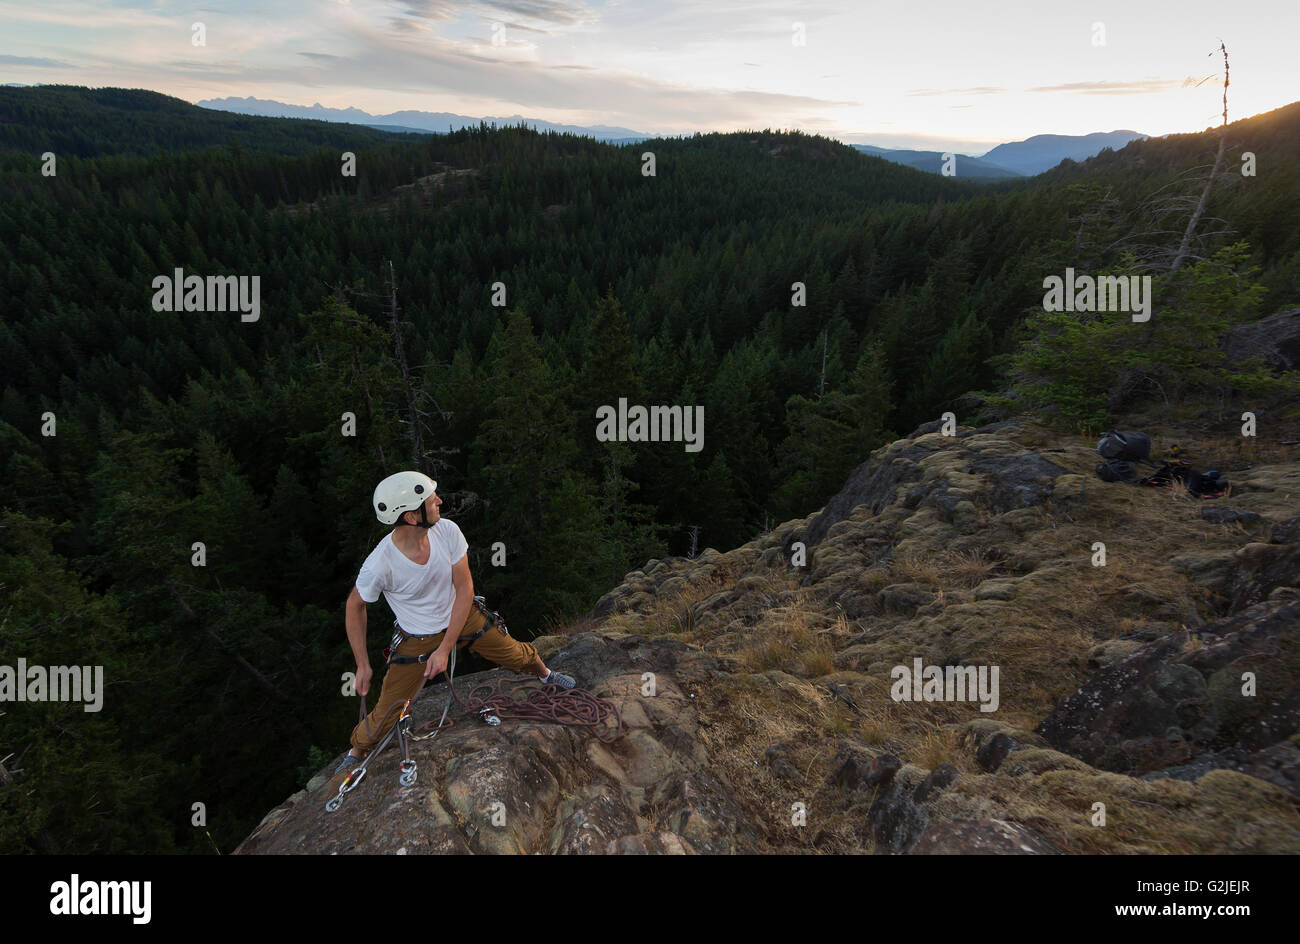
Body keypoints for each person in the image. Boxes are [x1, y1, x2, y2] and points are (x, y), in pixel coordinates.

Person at [334, 470, 575, 777]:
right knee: (386, 714)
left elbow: (465, 590)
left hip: (462, 616)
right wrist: (362, 664)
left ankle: (545, 674)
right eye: (429, 499)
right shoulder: (380, 564)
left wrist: (445, 648)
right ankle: (358, 748)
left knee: (514, 654)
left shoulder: (446, 531)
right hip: (416, 638)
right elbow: (355, 605)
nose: (439, 500)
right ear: (410, 517)